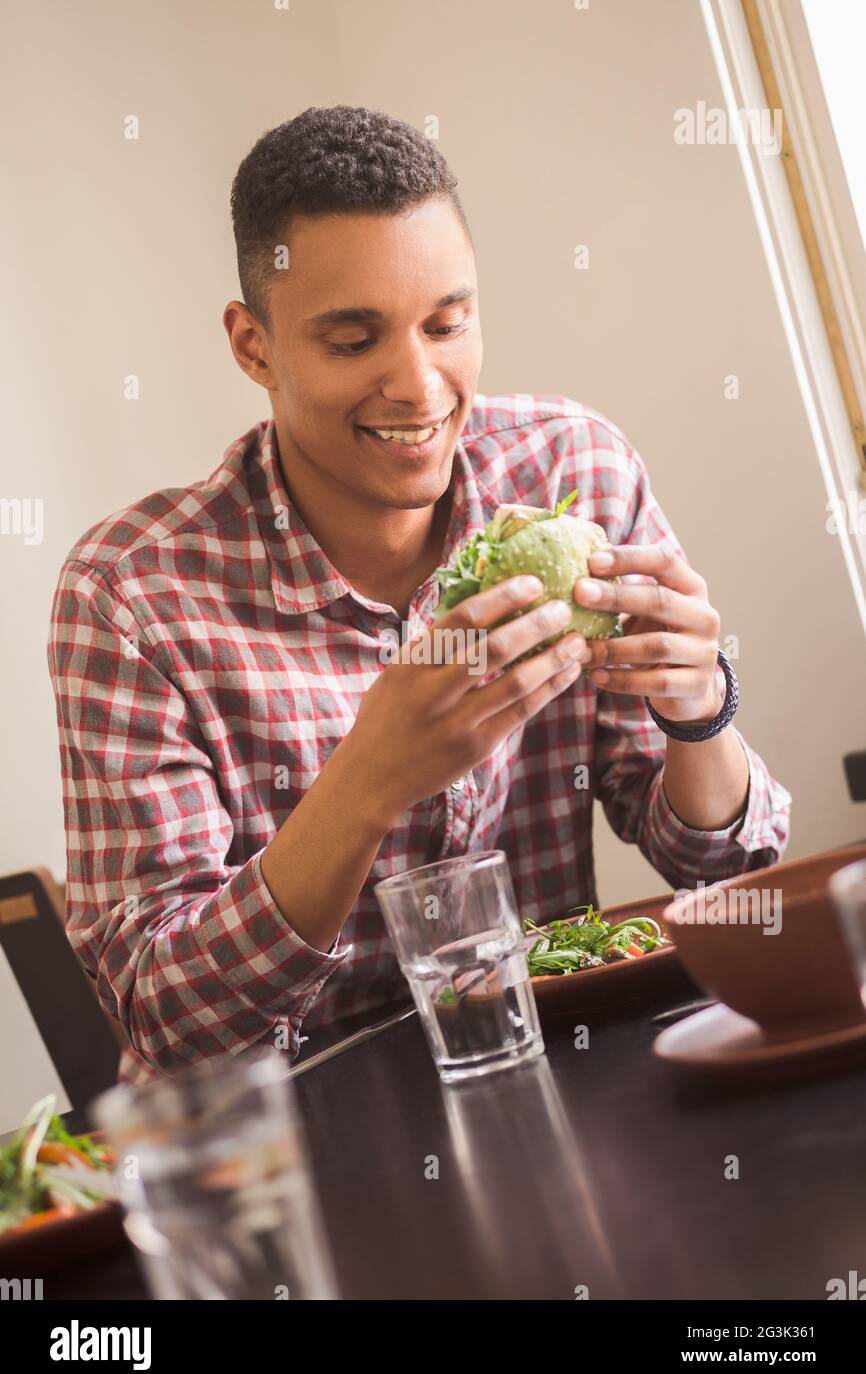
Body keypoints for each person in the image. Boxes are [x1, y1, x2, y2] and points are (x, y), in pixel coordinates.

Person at [47, 106, 791, 1083]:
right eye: (353, 341)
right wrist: (366, 781)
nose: (419, 384)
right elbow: (168, 1015)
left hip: (553, 1072)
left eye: (447, 323)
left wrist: (696, 708)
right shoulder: (133, 596)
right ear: (253, 346)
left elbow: (731, 886)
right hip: (302, 1143)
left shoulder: (572, 468)